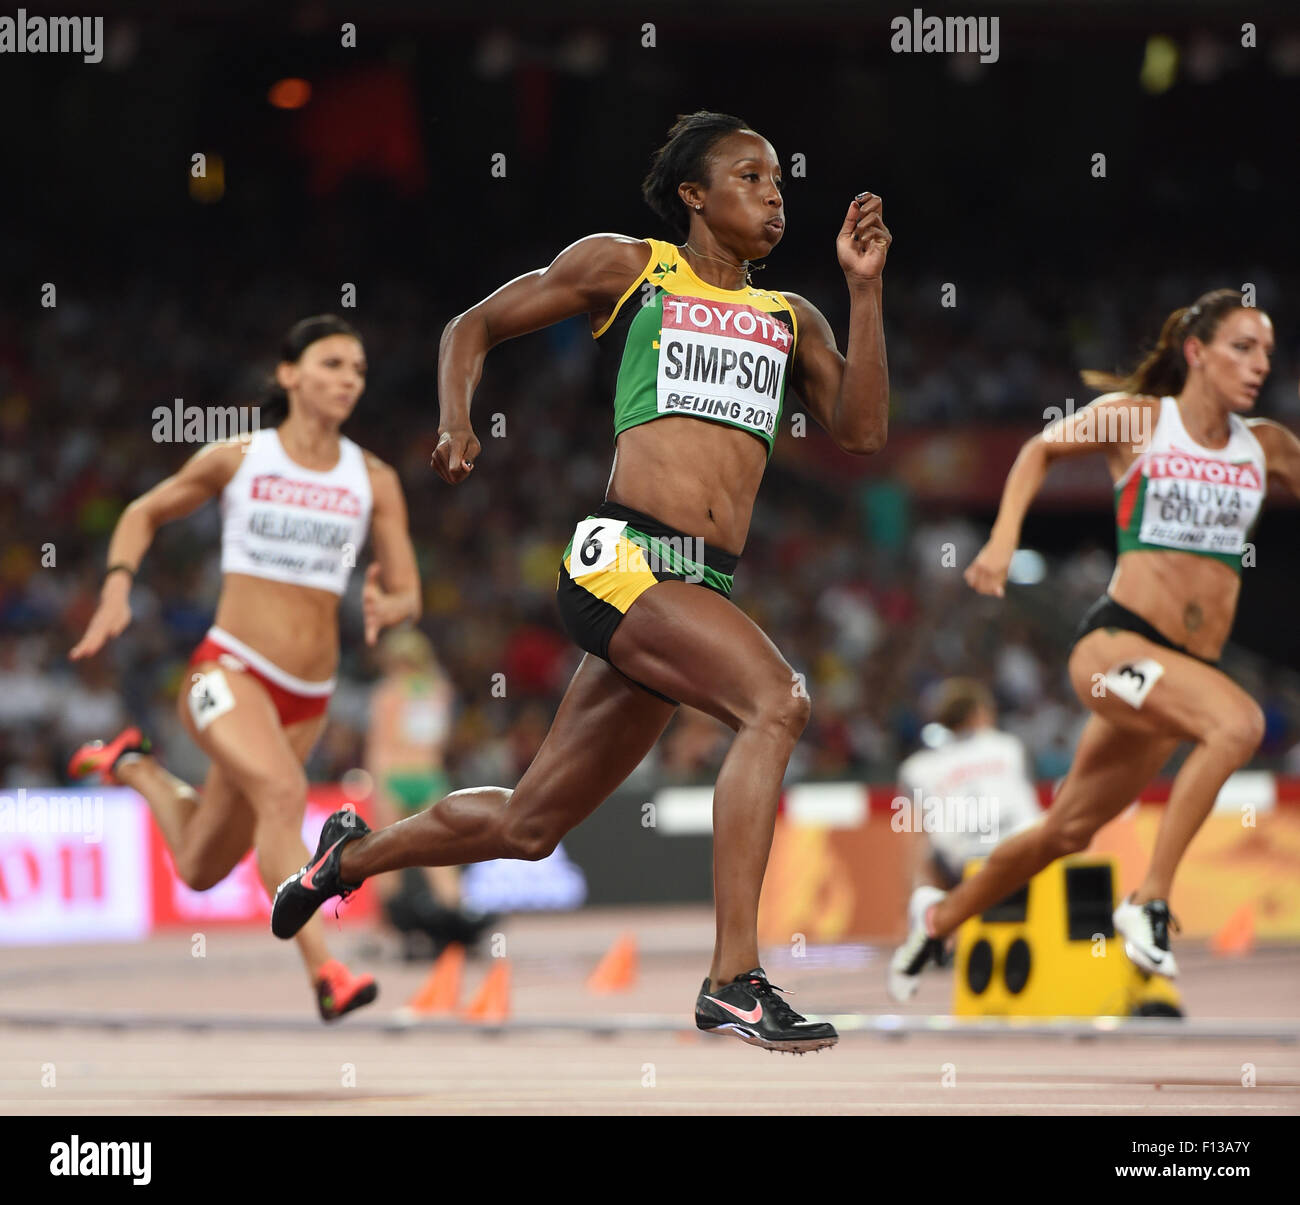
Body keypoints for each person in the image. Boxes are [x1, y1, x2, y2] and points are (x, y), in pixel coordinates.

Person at [271, 109, 892, 1053]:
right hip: (624, 558)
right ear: (694, 194)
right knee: (777, 702)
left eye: (778, 181)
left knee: (529, 825)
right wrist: (456, 419)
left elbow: (862, 432)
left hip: (698, 584)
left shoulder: (791, 317)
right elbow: (471, 325)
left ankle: (347, 856)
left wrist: (865, 291)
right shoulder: (631, 267)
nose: (774, 194)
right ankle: (734, 977)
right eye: (750, 177)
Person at [890, 288, 1300, 1001]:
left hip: (1177, 674)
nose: (1259, 362)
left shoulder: (1267, 447)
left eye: (1267, 349)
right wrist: (1002, 537)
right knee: (1238, 722)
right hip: (1113, 651)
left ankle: (937, 918)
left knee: (1067, 829)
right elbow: (1039, 447)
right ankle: (1150, 900)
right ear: (1195, 353)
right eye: (1242, 346)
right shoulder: (1141, 422)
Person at [68, 315, 422, 1022]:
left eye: (357, 368)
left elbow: (411, 588)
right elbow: (143, 511)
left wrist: (391, 600)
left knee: (201, 865)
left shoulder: (374, 478)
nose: (349, 378)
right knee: (285, 791)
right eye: (331, 364)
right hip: (225, 672)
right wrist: (115, 587)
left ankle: (132, 763)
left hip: (306, 699)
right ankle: (327, 971)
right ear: (289, 374)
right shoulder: (239, 457)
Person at [366, 627, 498, 956]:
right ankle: (455, 919)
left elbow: (379, 744)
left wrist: (377, 785)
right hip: (429, 776)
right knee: (440, 857)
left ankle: (389, 934)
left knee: (385, 858)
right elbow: (441, 740)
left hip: (394, 776)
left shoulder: (387, 693)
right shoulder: (440, 691)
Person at [896, 678, 1042, 895]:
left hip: (966, 869)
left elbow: (916, 840)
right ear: (980, 713)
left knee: (928, 848)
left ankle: (930, 918)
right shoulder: (1009, 747)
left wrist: (910, 898)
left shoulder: (917, 768)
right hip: (1027, 855)